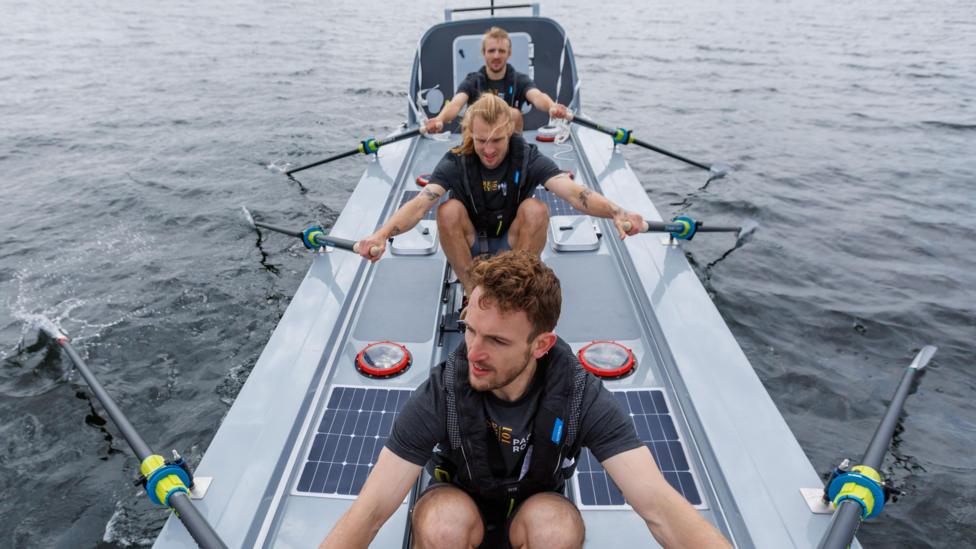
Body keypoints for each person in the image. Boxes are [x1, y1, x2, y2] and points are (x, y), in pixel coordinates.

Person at [319, 251, 732, 549]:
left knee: (556, 534)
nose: (473, 353)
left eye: (497, 340)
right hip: (458, 496)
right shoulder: (442, 391)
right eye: (470, 330)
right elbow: (369, 511)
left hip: (536, 504)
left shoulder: (579, 396)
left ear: (541, 345)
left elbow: (659, 506)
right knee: (443, 527)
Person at [356, 93, 644, 295]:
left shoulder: (528, 156)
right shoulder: (456, 159)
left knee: (537, 209)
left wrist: (615, 211)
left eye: (497, 140)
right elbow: (420, 205)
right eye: (481, 141)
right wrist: (382, 234)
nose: (489, 149)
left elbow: (573, 193)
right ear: (469, 134)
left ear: (510, 131)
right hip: (470, 241)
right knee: (447, 210)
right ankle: (473, 292)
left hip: (515, 241)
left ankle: (516, 290)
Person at [424, 26, 570, 134]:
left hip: (508, 142)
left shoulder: (519, 80)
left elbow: (537, 96)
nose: (496, 56)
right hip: (477, 142)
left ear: (509, 53)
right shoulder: (473, 81)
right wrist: (439, 119)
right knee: (470, 115)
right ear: (484, 53)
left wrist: (552, 106)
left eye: (501, 51)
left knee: (514, 114)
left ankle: (516, 160)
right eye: (491, 50)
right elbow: (456, 104)